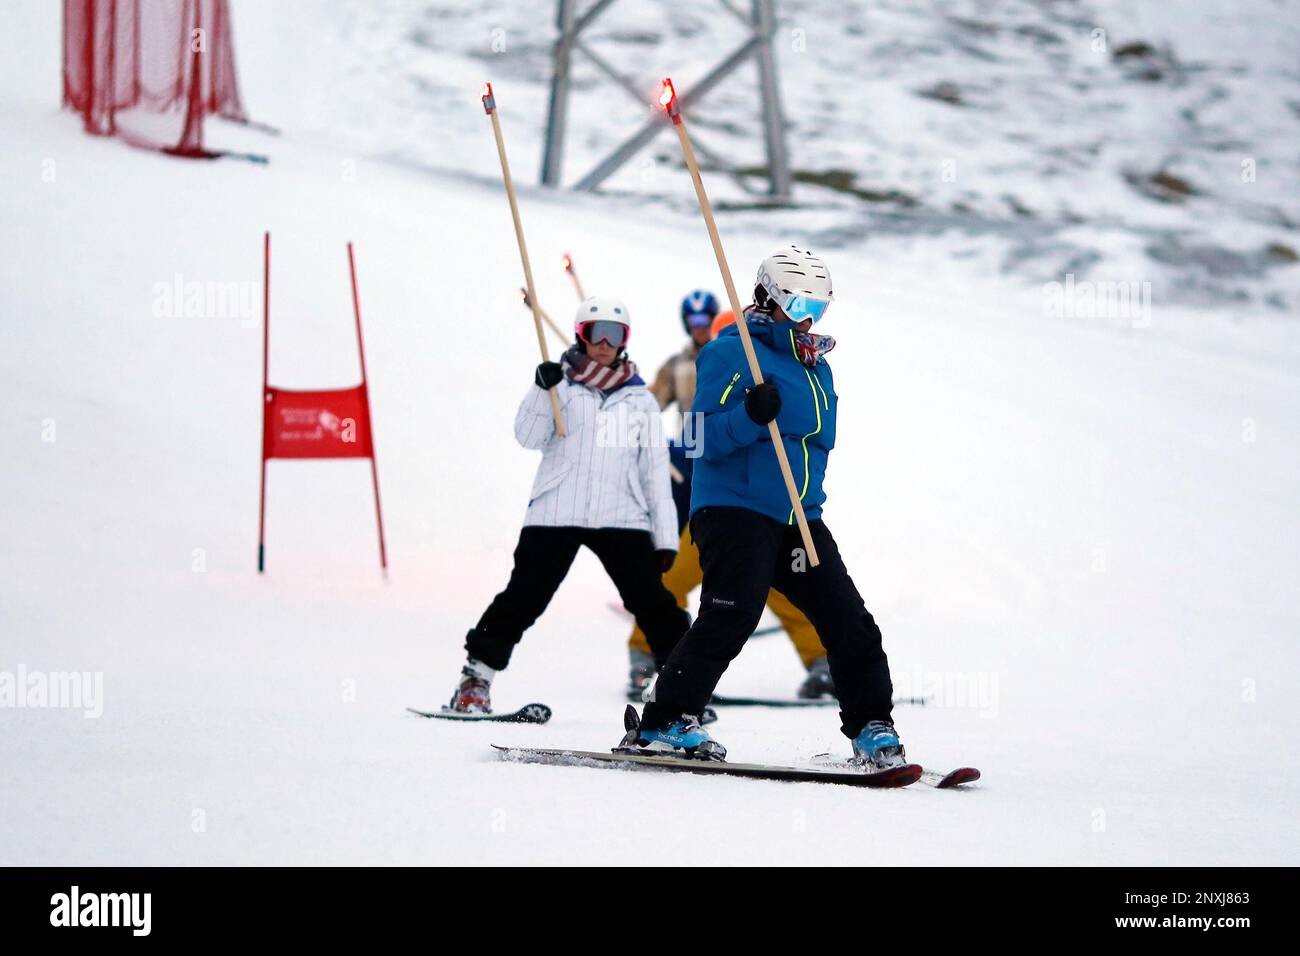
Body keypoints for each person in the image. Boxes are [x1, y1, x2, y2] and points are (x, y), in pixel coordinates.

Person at [617, 246, 907, 771]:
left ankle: (871, 726)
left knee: (848, 618)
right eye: (799, 307)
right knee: (733, 613)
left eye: (818, 310)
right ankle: (664, 720)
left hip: (798, 516)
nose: (809, 320)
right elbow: (698, 437)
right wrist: (751, 416)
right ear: (768, 298)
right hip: (734, 510)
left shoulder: (817, 368)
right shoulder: (732, 355)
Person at [448, 297, 689, 713]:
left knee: (654, 603)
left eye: (615, 335)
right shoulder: (558, 384)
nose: (604, 343)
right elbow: (528, 436)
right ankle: (475, 680)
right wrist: (541, 391)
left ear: (624, 341)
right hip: (557, 508)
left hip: (623, 514)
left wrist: (665, 537)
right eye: (596, 333)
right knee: (524, 596)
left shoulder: (639, 400)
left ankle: (682, 691)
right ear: (581, 334)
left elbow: (654, 472)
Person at [625, 295, 835, 700]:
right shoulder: (685, 366)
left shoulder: (760, 365)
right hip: (707, 495)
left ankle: (820, 663)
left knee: (777, 587)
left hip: (758, 504)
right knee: (680, 578)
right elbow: (672, 420)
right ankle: (645, 653)